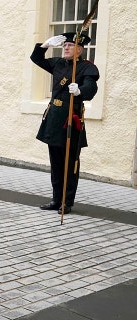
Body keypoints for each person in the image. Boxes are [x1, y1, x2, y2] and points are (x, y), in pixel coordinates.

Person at [31, 32, 99, 215]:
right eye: (64, 45)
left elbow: (91, 88)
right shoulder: (57, 63)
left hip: (71, 119)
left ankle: (67, 202)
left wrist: (80, 91)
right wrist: (45, 45)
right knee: (56, 163)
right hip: (54, 119)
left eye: (70, 46)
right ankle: (56, 199)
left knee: (70, 163)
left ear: (79, 49)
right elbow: (36, 58)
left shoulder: (86, 68)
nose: (66, 48)